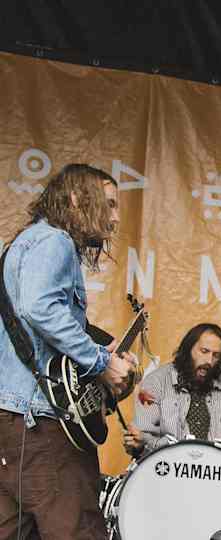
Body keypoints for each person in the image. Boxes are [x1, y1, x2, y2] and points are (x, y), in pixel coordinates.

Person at [0, 164, 135, 540]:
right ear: (76, 199)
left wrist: (91, 345)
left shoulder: (22, 245)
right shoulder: (54, 241)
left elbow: (27, 325)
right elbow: (38, 306)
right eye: (107, 204)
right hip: (42, 424)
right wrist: (100, 362)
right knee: (78, 530)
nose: (114, 217)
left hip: (11, 420)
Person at [122, 322, 221, 457]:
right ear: (188, 349)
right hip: (164, 469)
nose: (209, 361)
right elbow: (140, 441)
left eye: (216, 355)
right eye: (204, 351)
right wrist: (142, 442)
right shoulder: (156, 381)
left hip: (210, 472)